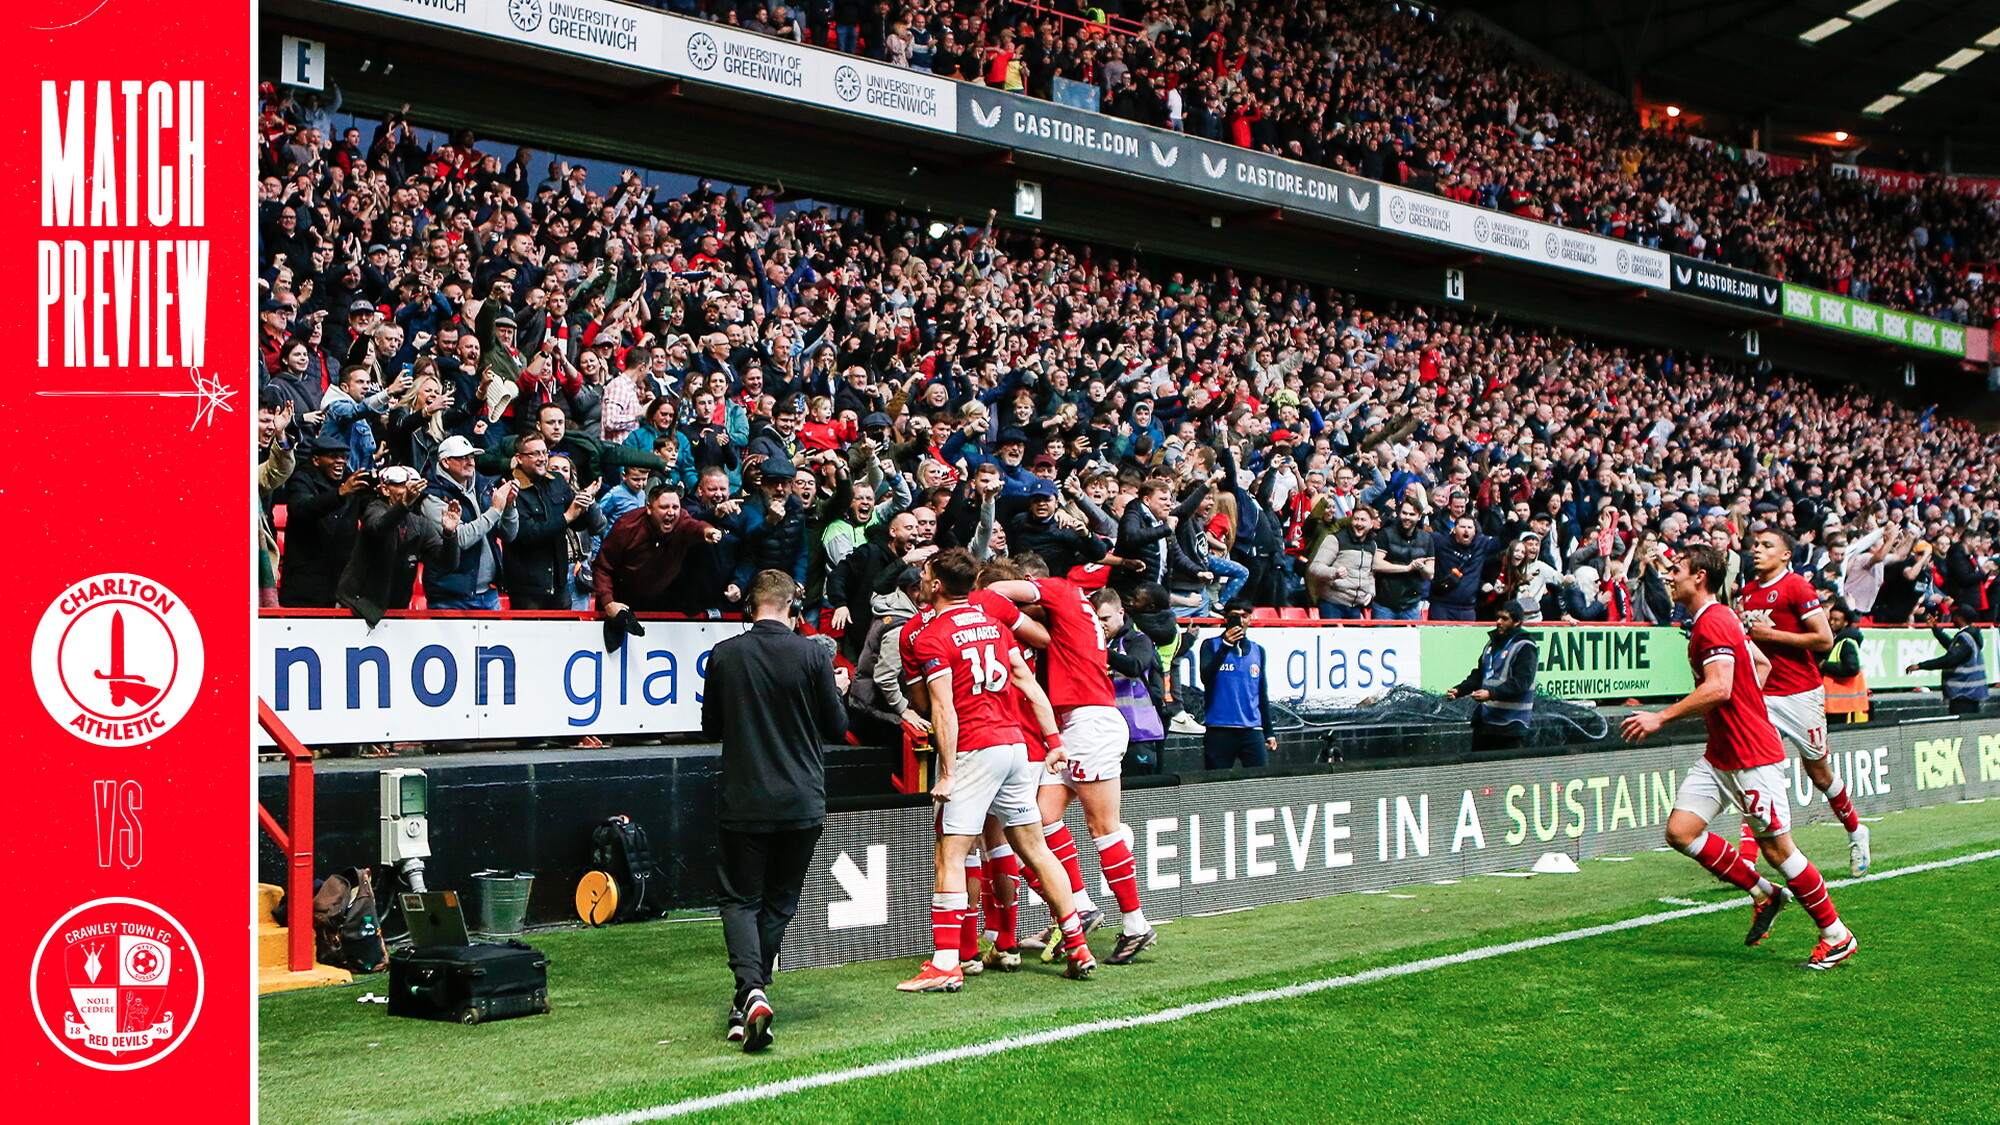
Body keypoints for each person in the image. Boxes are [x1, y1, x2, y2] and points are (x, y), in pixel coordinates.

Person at [1620, 546, 1857, 971]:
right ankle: (1764, 893)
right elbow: (1760, 664)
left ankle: (1836, 935)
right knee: (1681, 831)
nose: (1670, 577)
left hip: (1751, 755)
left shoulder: (1712, 622)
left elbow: (1718, 689)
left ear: (1700, 578)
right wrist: (1748, 705)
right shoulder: (1720, 618)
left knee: (1778, 850)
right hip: (1723, 753)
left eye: (1677, 571)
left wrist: (1661, 716)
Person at [895, 548, 1097, 992]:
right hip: (1014, 746)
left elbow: (942, 708)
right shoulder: (994, 624)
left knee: (950, 853)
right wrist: (1054, 742)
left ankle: (947, 962)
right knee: (1036, 849)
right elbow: (1026, 680)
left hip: (975, 749)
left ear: (934, 586)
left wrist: (947, 771)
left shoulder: (930, 634)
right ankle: (1079, 946)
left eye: (926, 575)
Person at [982, 555, 1159, 965]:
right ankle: (1080, 904)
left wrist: (976, 603)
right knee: (1041, 819)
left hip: (1090, 719)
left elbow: (996, 594)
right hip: (1076, 722)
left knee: (1104, 829)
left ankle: (1135, 924)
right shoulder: (1075, 609)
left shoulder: (1061, 591)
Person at [702, 570, 849, 1052]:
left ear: (751, 607)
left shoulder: (725, 654)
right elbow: (836, 726)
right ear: (793, 606)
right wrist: (838, 690)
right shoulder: (813, 654)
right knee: (778, 902)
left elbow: (710, 728)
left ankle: (749, 991)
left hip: (745, 799)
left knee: (740, 900)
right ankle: (750, 992)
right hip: (802, 799)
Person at [1735, 530, 1869, 876]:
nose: (1757, 550)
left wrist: (1772, 635)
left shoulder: (1796, 587)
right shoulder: (1747, 593)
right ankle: (1748, 857)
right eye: (1756, 545)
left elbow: (1824, 640)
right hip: (1762, 694)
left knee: (1820, 773)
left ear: (1785, 555)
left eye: (1767, 546)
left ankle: (1856, 832)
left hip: (1799, 693)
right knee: (1754, 771)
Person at [336, 465, 461, 627]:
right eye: (402, 485)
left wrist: (450, 534)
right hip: (356, 607)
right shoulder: (374, 509)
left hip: (395, 612)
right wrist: (404, 504)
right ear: (385, 490)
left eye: (412, 485)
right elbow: (379, 528)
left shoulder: (420, 524)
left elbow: (448, 563)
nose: (408, 490)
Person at [421, 435, 519, 610]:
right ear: (445, 462)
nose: (471, 462)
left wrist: (510, 507)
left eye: (472, 457)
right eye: (463, 458)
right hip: (450, 596)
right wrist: (495, 510)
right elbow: (460, 539)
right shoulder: (432, 496)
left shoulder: (484, 486)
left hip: (488, 593)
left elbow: (509, 535)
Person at [1444, 600, 1538, 751]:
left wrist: (1491, 693)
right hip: (1487, 721)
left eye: (1504, 619)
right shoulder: (1491, 644)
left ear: (1517, 622)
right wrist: (1460, 690)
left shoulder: (1525, 647)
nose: (1498, 622)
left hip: (1511, 724)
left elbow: (1522, 681)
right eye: (1498, 617)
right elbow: (1480, 674)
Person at [1097, 587, 1166, 776]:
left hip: (1138, 735)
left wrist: (1101, 652)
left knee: (1141, 799)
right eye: (1095, 620)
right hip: (1103, 737)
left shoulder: (1138, 641)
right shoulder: (1096, 644)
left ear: (1121, 613)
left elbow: (1135, 666)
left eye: (1105, 619)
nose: (1100, 625)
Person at [1199, 601, 1275, 768]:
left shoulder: (1258, 650)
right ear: (1226, 618)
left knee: (1260, 782)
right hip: (1219, 728)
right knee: (1216, 784)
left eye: (1244, 616)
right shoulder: (1210, 645)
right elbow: (1206, 678)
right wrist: (1225, 646)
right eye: (1235, 616)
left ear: (1250, 619)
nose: (1240, 621)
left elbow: (1261, 693)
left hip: (1252, 729)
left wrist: (1268, 732)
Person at [1905, 603, 1988, 716]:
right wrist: (1936, 630)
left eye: (1955, 616)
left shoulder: (1964, 638)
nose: (1953, 618)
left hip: (1963, 694)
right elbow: (1952, 648)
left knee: (1961, 727)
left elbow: (1950, 659)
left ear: (1960, 618)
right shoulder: (1971, 635)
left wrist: (1921, 666)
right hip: (1970, 692)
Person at [1821, 603, 1869, 723]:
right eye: (1830, 619)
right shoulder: (1838, 639)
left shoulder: (1846, 642)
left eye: (1836, 620)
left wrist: (1825, 666)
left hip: (1838, 702)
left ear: (1845, 622)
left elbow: (1851, 668)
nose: (1832, 622)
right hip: (1836, 702)